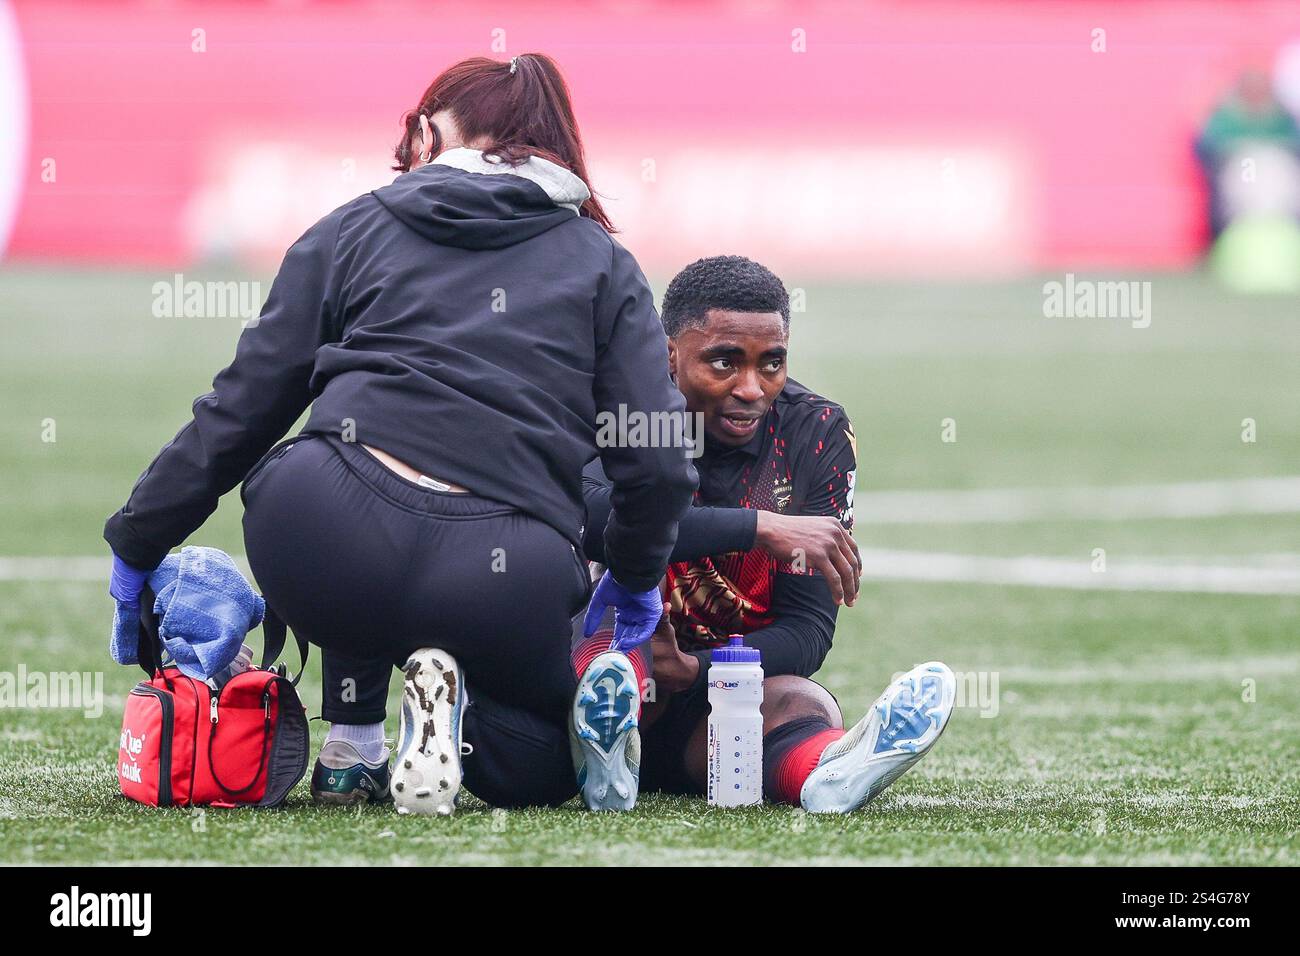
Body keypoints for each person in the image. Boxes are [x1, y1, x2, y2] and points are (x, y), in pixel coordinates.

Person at [104, 53, 696, 816]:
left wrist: (137, 541)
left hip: (321, 536)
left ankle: (354, 747)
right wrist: (637, 576)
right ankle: (461, 725)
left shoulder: (353, 226)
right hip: (503, 573)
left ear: (426, 133)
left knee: (354, 464)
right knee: (540, 759)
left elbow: (241, 410)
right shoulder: (602, 262)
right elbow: (655, 458)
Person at [577, 256, 956, 813]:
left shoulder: (814, 432)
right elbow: (596, 522)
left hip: (714, 703)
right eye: (723, 362)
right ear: (668, 353)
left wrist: (697, 671)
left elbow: (807, 629)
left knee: (801, 702)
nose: (752, 389)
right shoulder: (622, 412)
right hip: (597, 666)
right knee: (610, 643)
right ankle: (608, 739)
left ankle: (825, 769)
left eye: (771, 363)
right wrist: (760, 527)